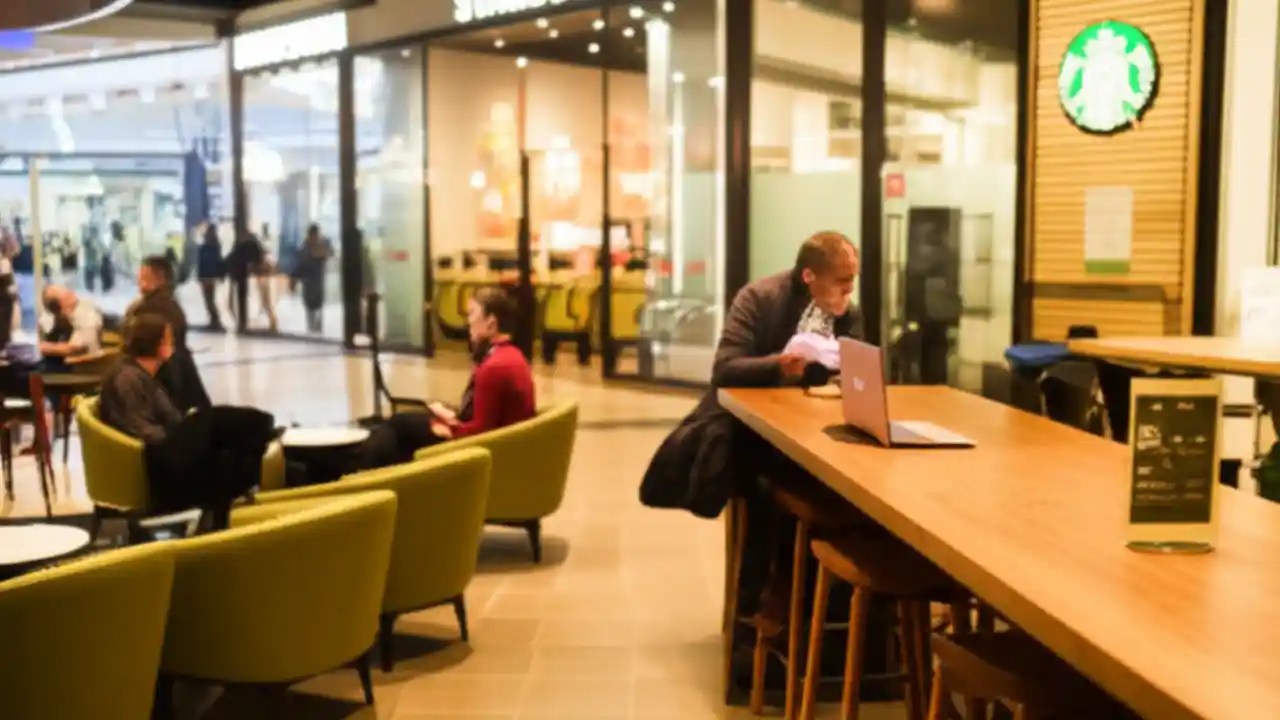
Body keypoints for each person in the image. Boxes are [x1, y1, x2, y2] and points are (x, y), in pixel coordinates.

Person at [640, 231, 862, 653]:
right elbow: (724, 369)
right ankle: (762, 614)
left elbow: (854, 367)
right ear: (809, 275)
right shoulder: (759, 299)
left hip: (812, 428)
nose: (848, 292)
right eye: (841, 282)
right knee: (772, 496)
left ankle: (835, 621)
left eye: (853, 281)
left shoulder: (847, 311)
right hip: (750, 434)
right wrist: (780, 367)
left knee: (841, 492)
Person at [362, 287, 536, 468]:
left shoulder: (493, 368)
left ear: (491, 324)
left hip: (477, 449)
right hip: (501, 444)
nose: (468, 323)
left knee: (397, 426)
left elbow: (479, 435)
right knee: (403, 425)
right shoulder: (515, 357)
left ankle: (366, 476)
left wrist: (448, 421)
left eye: (472, 314)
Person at [127, 255, 211, 412]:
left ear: (157, 278)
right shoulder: (170, 306)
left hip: (164, 384)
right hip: (179, 380)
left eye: (142, 276)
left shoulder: (150, 309)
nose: (138, 281)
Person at [98, 313, 182, 444]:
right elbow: (140, 428)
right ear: (158, 344)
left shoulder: (141, 373)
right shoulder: (128, 378)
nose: (173, 344)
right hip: (148, 453)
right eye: (169, 339)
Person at [39, 285, 103, 368]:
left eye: (54, 305)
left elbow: (76, 348)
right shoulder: (64, 317)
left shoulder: (87, 313)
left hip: (81, 369)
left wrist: (42, 347)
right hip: (63, 367)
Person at [297, 223, 333, 334]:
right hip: (308, 279)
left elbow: (329, 254)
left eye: (315, 234)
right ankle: (311, 326)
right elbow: (301, 261)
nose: (313, 237)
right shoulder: (305, 246)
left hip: (317, 279)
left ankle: (317, 326)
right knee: (309, 304)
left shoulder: (323, 244)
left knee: (318, 303)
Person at [226, 229, 264, 333]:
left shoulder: (241, 246)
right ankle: (243, 322)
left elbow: (231, 260)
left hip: (239, 275)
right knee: (242, 299)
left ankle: (242, 322)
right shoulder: (249, 246)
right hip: (241, 275)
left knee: (240, 299)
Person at [196, 223, 226, 331]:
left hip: (206, 275)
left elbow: (203, 262)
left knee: (208, 299)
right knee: (210, 299)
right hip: (210, 276)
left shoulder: (207, 246)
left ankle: (215, 320)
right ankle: (214, 320)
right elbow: (218, 261)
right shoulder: (215, 245)